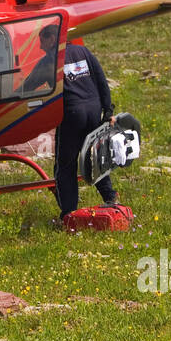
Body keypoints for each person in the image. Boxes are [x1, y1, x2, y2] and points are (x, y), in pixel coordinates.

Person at [52, 37, 123, 220]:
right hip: (93, 111)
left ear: (52, 39)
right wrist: (108, 111)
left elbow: (31, 83)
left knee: (66, 165)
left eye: (43, 42)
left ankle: (68, 212)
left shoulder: (52, 58)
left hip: (72, 114)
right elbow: (101, 81)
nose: (42, 47)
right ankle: (110, 197)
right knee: (95, 157)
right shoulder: (83, 51)